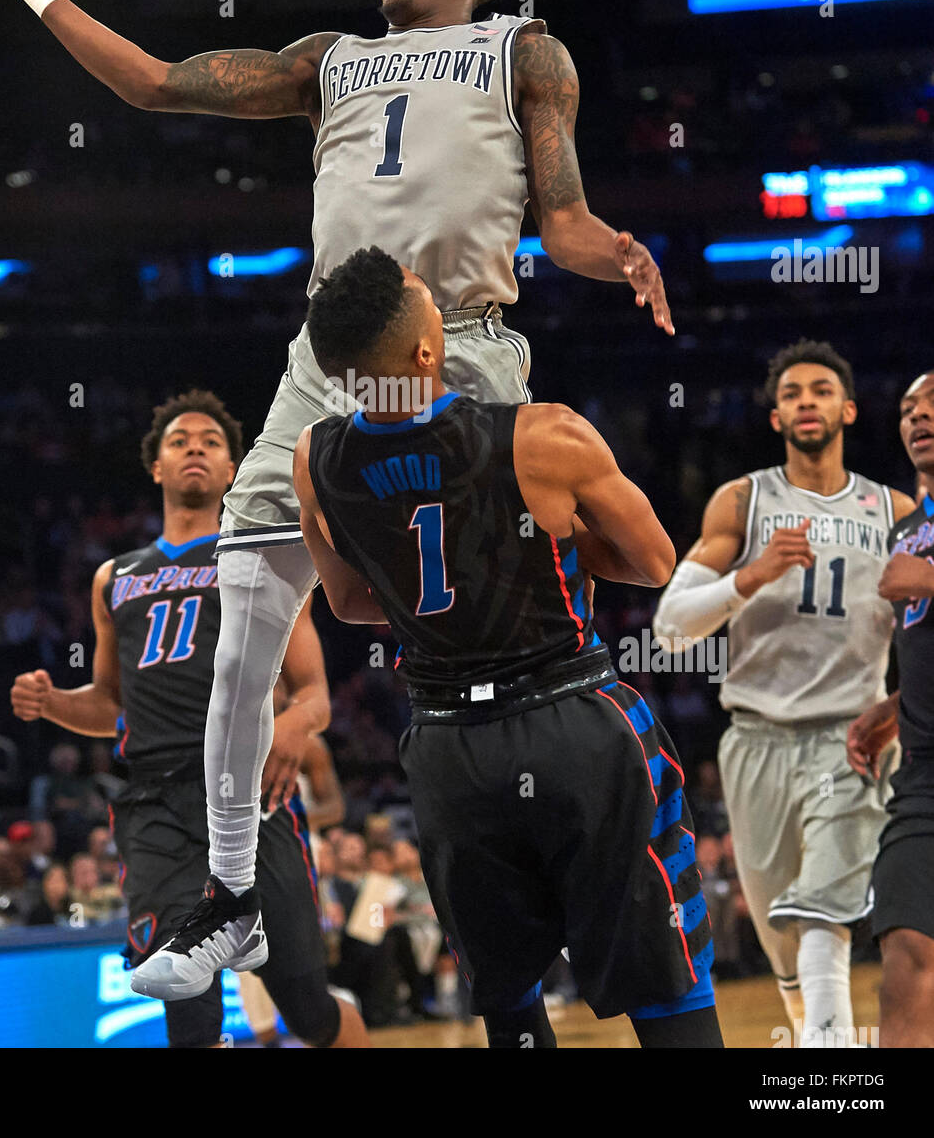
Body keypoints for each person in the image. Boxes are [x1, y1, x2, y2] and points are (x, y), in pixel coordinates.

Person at [0, 0, 674, 982]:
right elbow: (161, 85)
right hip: (325, 356)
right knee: (242, 618)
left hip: (459, 342)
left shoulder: (524, 52)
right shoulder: (327, 58)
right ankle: (232, 895)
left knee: (506, 612)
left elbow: (564, 217)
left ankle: (567, 827)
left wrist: (620, 254)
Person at [292, 248, 719, 1048]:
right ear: (427, 350)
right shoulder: (543, 434)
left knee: (510, 999)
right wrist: (548, 545)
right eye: (425, 295)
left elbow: (349, 602)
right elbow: (654, 561)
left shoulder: (312, 461)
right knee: (663, 977)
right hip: (572, 721)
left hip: (448, 749)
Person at [11, 389, 367, 1048]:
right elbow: (111, 703)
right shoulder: (113, 576)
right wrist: (54, 702)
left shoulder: (267, 556)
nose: (194, 447)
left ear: (232, 469)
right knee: (189, 1007)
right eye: (179, 440)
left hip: (251, 796)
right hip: (156, 806)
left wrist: (293, 724)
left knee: (307, 1011)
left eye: (209, 440)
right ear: (156, 468)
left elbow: (314, 692)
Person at [653, 339, 914, 1047]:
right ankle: (811, 1035)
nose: (806, 401)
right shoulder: (742, 500)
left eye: (821, 390)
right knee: (782, 941)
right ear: (774, 416)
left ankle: (824, 1072)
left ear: (848, 410)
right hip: (756, 740)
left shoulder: (893, 510)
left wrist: (901, 707)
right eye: (792, 392)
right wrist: (750, 575)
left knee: (820, 913)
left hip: (850, 739)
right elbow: (670, 628)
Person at [847, 369, 934, 1046]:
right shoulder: (903, 528)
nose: (918, 416)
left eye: (933, 403)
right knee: (904, 949)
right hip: (923, 779)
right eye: (907, 407)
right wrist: (892, 707)